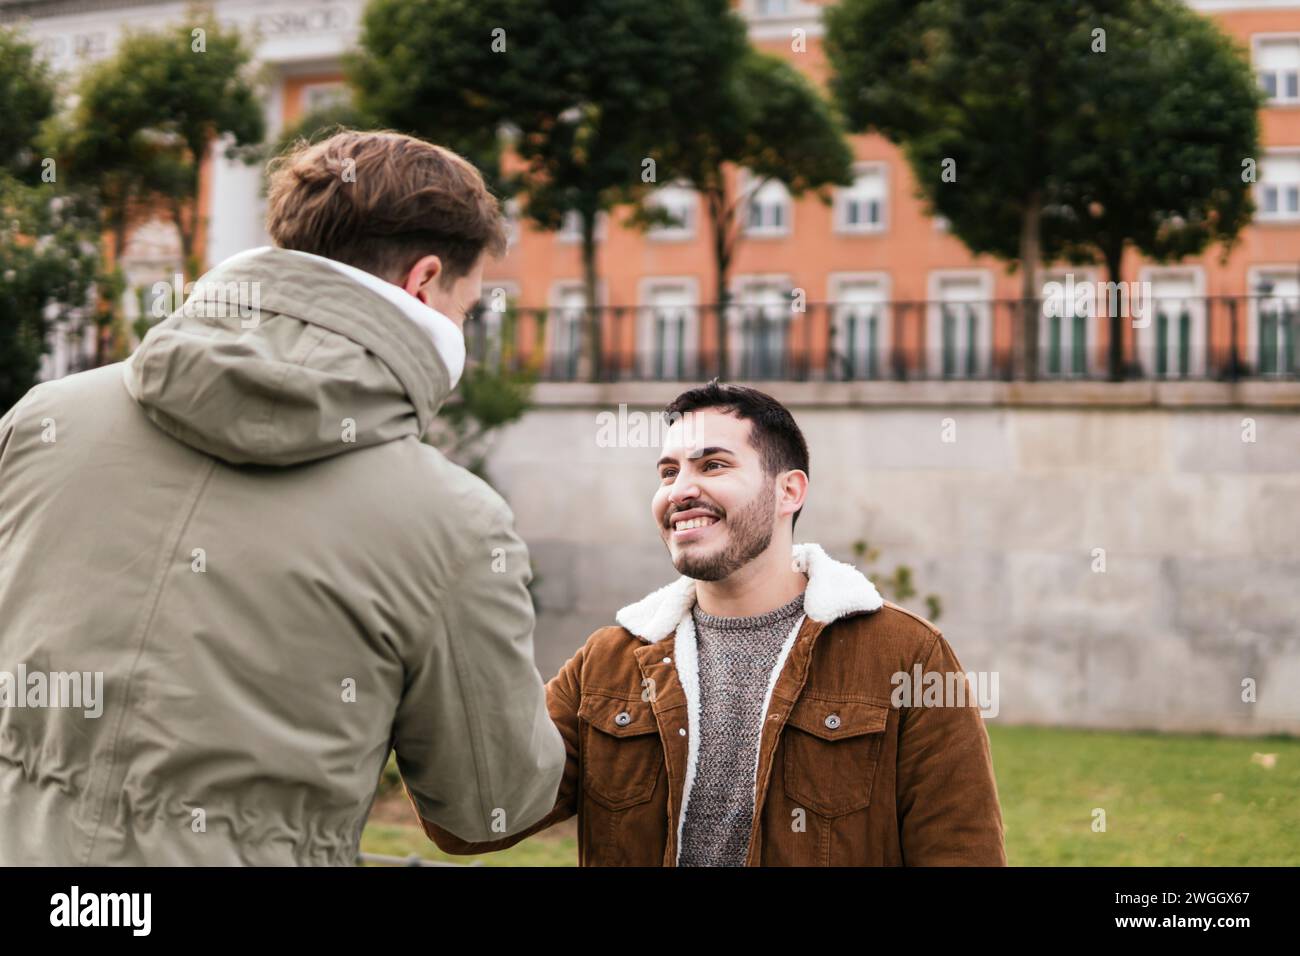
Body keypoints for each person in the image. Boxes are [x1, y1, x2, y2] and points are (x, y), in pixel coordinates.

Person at [0, 130, 564, 865]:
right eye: (472, 305)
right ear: (425, 281)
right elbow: (492, 802)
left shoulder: (46, 416)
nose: (466, 325)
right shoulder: (454, 521)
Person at [422, 381, 1007, 865]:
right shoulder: (608, 664)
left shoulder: (907, 657)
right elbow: (476, 823)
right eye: (668, 470)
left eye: (713, 464)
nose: (681, 489)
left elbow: (962, 853)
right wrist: (430, 655)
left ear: (789, 491)